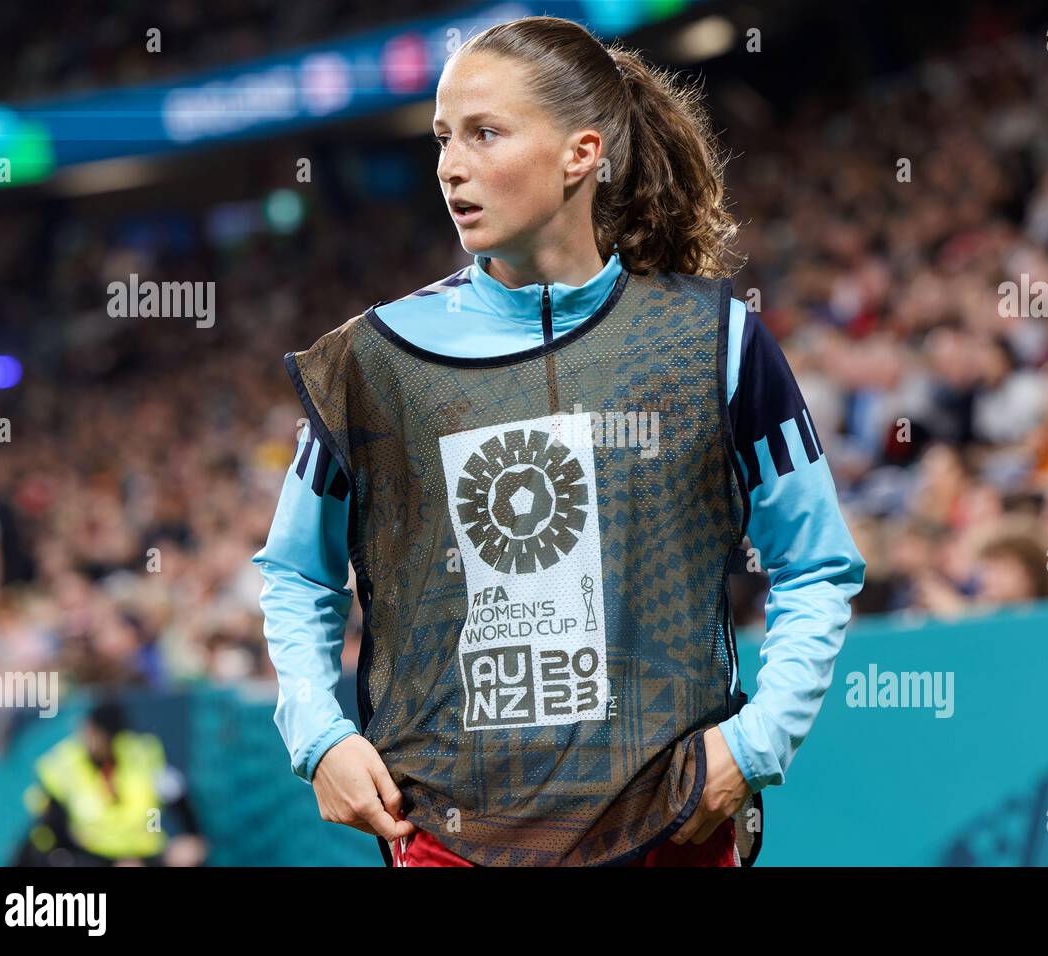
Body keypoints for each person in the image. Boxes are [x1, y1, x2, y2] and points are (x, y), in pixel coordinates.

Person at [253, 16, 865, 867]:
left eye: (484, 134)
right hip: (453, 843)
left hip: (671, 830)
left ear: (580, 154)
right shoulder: (373, 363)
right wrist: (319, 735)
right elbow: (294, 570)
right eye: (442, 139)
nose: (449, 166)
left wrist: (756, 746)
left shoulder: (714, 342)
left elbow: (816, 563)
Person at [13, 699, 208, 867]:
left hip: (145, 857)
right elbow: (57, 835)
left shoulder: (141, 756)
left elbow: (176, 800)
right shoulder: (63, 766)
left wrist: (190, 837)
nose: (98, 741)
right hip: (87, 859)